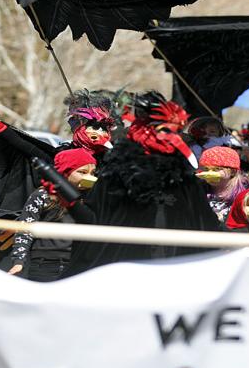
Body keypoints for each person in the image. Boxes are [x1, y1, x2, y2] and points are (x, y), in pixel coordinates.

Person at [65, 92, 222, 276]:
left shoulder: (183, 174)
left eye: (174, 131)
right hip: (122, 268)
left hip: (175, 268)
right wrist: (65, 192)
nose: (170, 137)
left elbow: (205, 220)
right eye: (163, 131)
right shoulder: (117, 170)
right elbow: (93, 218)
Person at [2, 147, 98, 280]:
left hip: (77, 267)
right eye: (82, 172)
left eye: (93, 173)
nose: (90, 177)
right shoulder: (42, 195)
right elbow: (25, 229)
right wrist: (19, 261)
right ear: (65, 172)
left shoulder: (92, 199)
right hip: (44, 266)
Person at [196, 145, 245, 221]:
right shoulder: (198, 191)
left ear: (233, 171)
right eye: (206, 169)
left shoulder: (245, 196)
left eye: (217, 169)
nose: (210, 173)